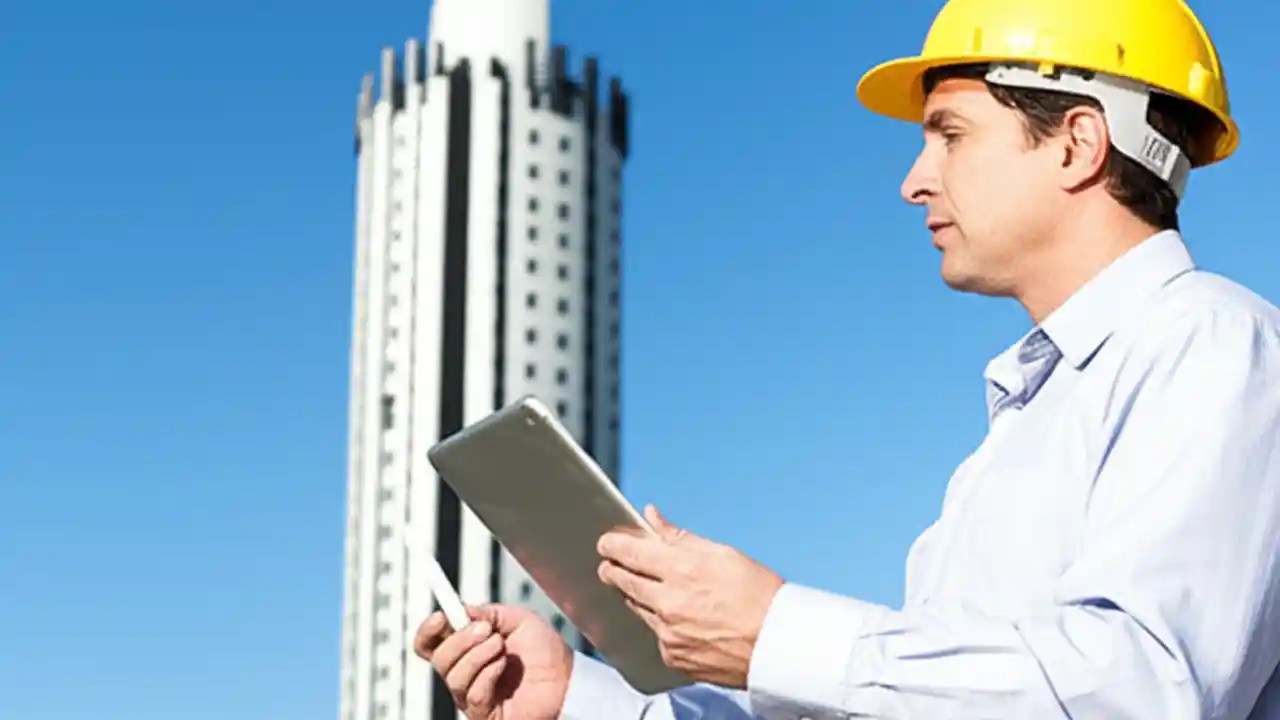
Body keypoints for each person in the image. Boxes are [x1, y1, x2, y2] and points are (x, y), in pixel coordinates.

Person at [415, 0, 1280, 716]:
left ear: (1077, 142)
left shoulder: (1211, 343)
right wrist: (577, 700)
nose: (915, 178)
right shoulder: (1022, 427)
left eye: (950, 134)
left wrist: (774, 632)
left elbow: (1142, 690)